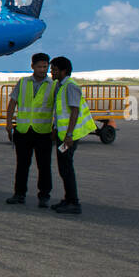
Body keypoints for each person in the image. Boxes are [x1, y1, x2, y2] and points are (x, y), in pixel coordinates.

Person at [5, 52, 55, 207]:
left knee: (44, 166)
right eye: (39, 66)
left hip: (43, 132)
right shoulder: (23, 82)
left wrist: (56, 128)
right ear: (32, 66)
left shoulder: (53, 85)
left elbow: (58, 108)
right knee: (22, 165)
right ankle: (19, 194)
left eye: (45, 67)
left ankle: (44, 196)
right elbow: (13, 102)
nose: (42, 70)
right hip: (24, 131)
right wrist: (8, 123)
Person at [50, 56, 97, 215]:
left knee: (66, 168)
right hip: (63, 134)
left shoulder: (70, 86)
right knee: (63, 167)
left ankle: (74, 202)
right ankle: (68, 199)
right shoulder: (61, 86)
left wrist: (69, 135)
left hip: (69, 136)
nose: (51, 72)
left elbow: (74, 110)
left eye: (54, 69)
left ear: (63, 71)